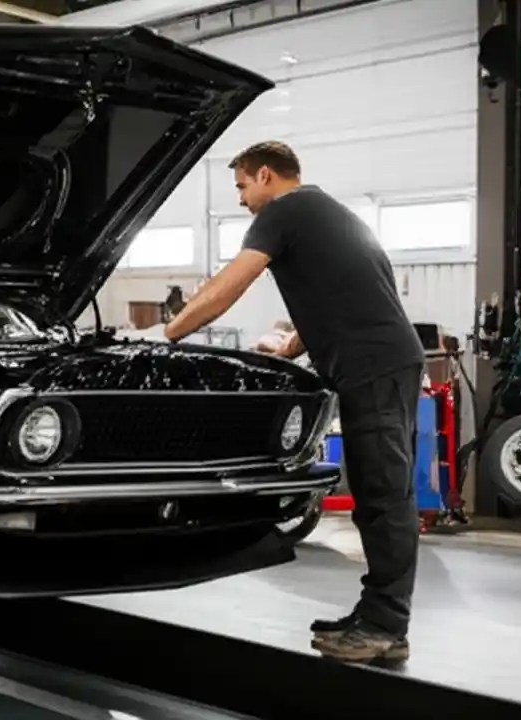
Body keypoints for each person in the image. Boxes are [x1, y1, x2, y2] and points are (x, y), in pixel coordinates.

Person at [163, 141, 425, 664]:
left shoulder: (283, 211)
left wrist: (169, 330)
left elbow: (229, 286)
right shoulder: (325, 212)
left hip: (373, 366)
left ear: (265, 175)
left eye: (241, 186)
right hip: (382, 361)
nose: (241, 199)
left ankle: (386, 625)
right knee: (376, 493)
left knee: (382, 496)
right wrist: (293, 346)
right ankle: (375, 611)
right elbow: (342, 291)